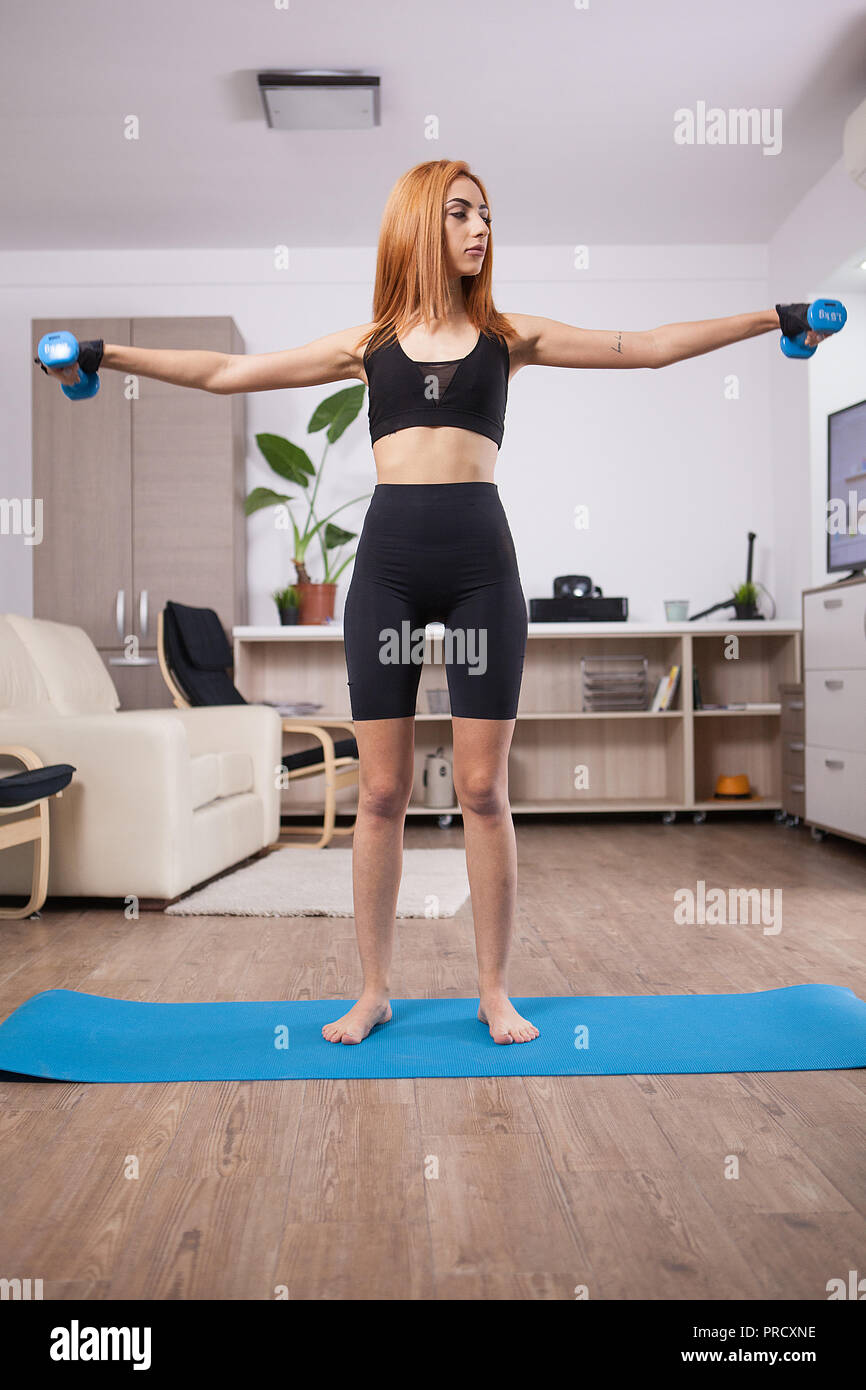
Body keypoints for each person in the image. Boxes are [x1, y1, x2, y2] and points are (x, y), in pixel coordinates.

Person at [39, 158, 832, 1047]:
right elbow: (229, 371)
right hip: (387, 573)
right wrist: (106, 356)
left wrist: (775, 319)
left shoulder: (507, 335)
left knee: (484, 788)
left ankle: (493, 991)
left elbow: (640, 344)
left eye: (486, 214)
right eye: (460, 213)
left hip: (480, 575)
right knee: (381, 791)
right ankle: (373, 990)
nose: (479, 228)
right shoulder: (368, 344)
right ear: (422, 223)